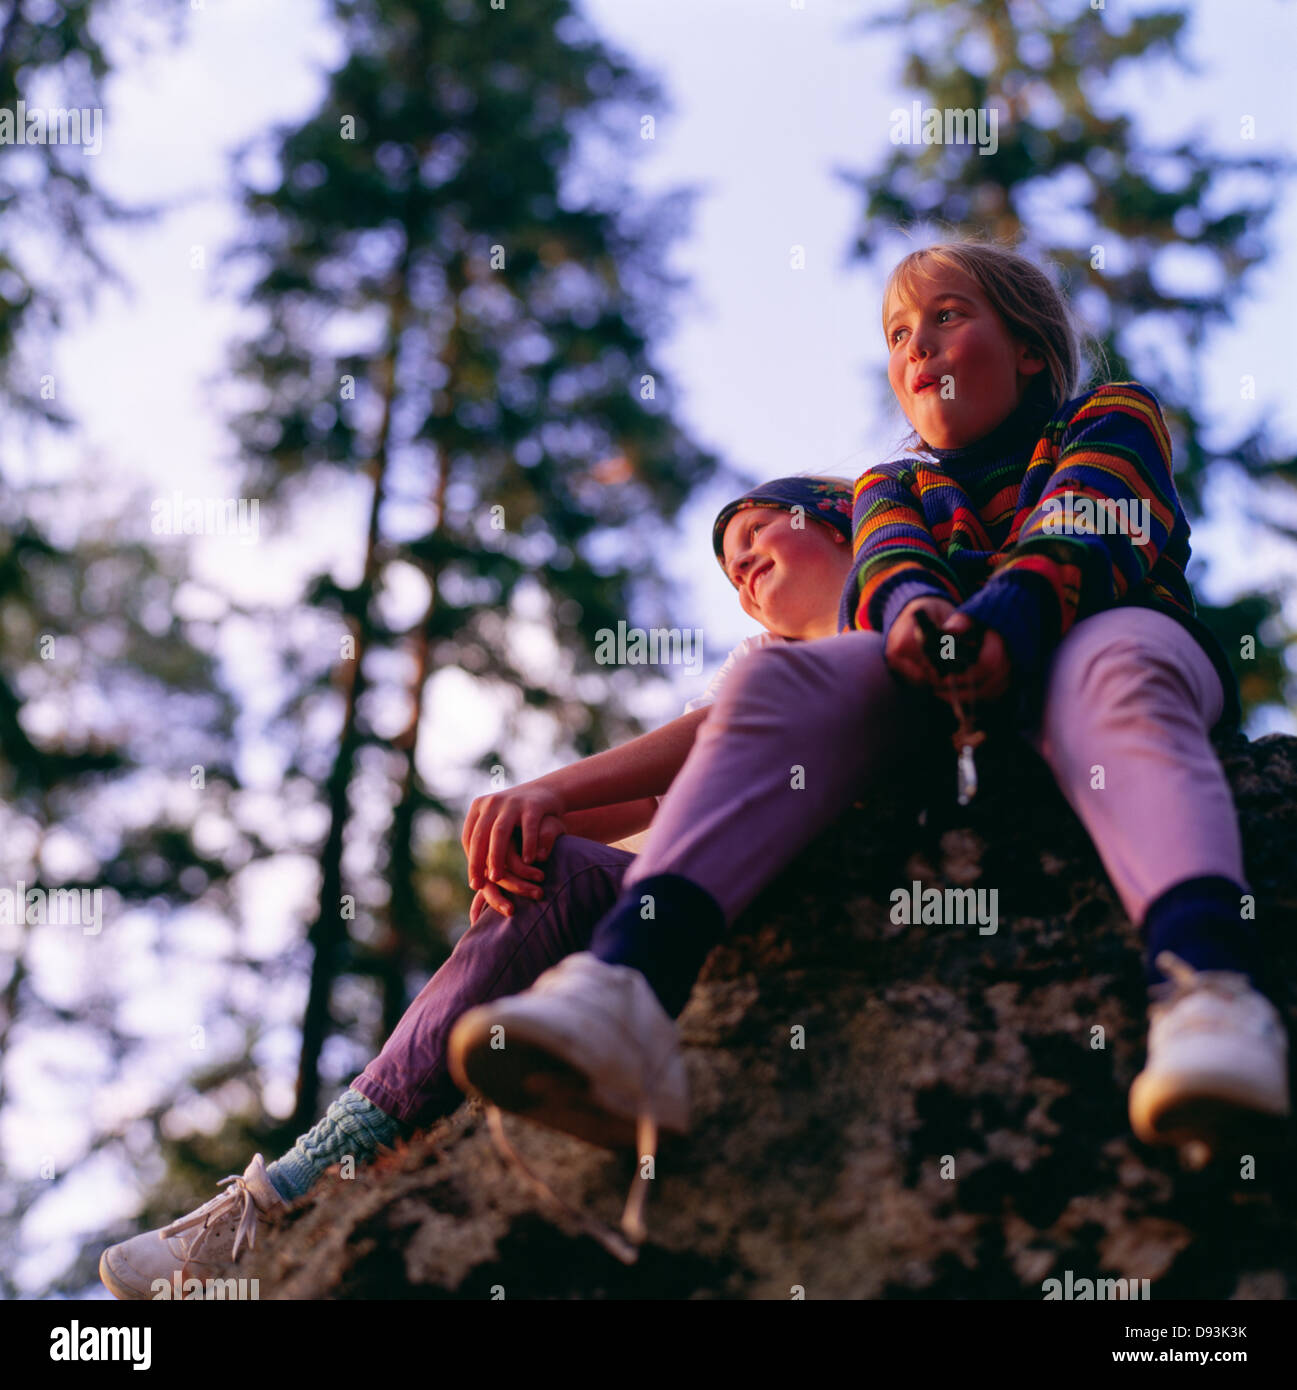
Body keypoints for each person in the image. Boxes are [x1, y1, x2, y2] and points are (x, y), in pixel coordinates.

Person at [448, 239, 1290, 1234]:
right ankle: (626, 988)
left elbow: (1089, 528)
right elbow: (887, 578)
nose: (917, 344)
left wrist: (1001, 624)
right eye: (897, 333)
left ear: (1026, 348)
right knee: (778, 671)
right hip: (947, 685)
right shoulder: (889, 484)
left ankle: (1206, 991)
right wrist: (926, 630)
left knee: (1107, 666)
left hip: (1096, 637)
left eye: (946, 316)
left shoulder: (1106, 415)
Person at [97, 474, 861, 1298]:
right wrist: (538, 831)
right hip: (693, 898)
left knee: (562, 867)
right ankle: (309, 1171)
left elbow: (706, 738)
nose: (742, 567)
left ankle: (292, 1189)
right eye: (729, 567)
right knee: (544, 877)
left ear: (846, 528)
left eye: (760, 538)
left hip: (786, 890)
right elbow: (651, 796)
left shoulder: (882, 621)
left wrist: (549, 795)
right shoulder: (759, 664)